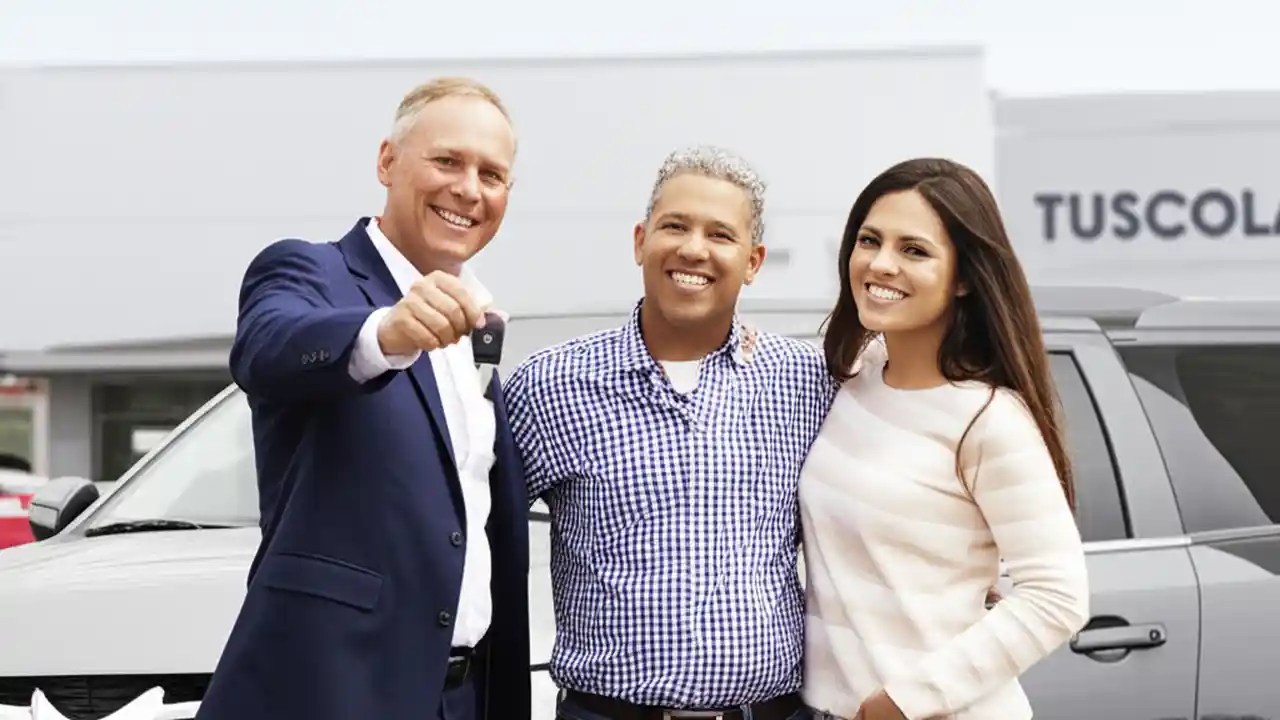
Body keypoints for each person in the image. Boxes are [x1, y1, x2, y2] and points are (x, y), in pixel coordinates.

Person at [196, 77, 531, 720]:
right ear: (386, 161)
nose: (468, 188)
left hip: (463, 696)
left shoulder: (479, 327)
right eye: (447, 161)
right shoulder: (308, 272)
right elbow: (268, 347)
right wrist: (383, 332)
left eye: (492, 174)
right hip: (330, 693)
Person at [504, 146, 834, 720]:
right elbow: (471, 541)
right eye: (674, 226)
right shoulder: (550, 386)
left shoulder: (806, 382)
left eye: (720, 235)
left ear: (753, 261)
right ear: (640, 240)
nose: (693, 249)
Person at [799, 158, 1090, 720]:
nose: (881, 264)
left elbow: (1058, 597)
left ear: (961, 277)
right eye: (869, 240)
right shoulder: (855, 377)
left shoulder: (987, 419)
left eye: (914, 250)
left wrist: (900, 704)